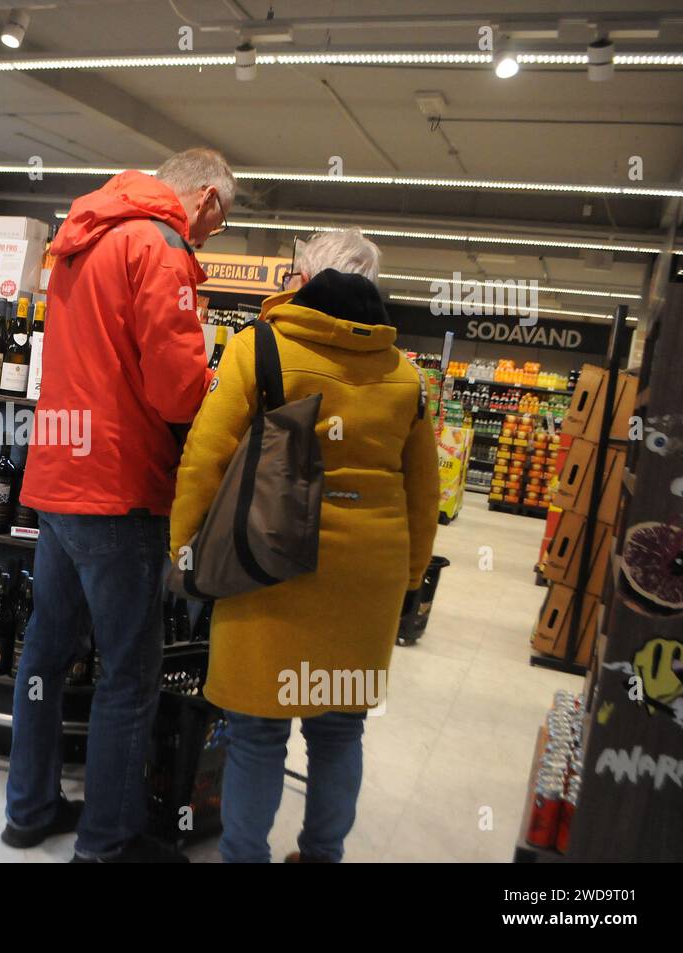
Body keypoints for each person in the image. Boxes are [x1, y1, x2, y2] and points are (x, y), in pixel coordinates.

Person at [170, 228, 440, 863]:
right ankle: (322, 856)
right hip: (366, 580)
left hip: (266, 566)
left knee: (257, 733)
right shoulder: (404, 376)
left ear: (304, 278)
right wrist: (410, 581)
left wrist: (184, 553)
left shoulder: (258, 346)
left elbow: (203, 460)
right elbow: (423, 493)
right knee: (340, 731)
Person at [2, 148, 235, 862]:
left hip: (57, 474)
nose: (208, 236)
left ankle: (30, 809)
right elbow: (174, 391)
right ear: (204, 199)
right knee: (129, 673)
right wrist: (215, 383)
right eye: (216, 223)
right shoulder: (161, 248)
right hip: (119, 484)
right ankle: (106, 840)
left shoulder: (82, 235)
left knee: (45, 650)